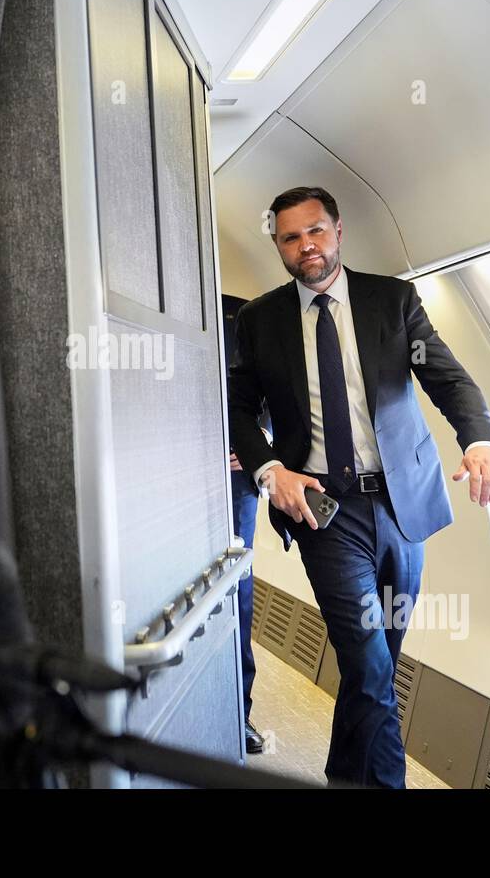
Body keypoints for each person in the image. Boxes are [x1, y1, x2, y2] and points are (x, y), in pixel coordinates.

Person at [226, 186, 490, 788]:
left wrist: (480, 440)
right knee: (369, 660)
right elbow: (239, 409)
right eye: (291, 238)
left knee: (374, 663)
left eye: (316, 231)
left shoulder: (393, 301)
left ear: (338, 231)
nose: (307, 247)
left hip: (403, 507)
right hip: (322, 511)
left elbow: (448, 380)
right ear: (277, 245)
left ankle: (343, 776)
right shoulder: (260, 319)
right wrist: (271, 470)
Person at [222, 294, 268, 755]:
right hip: (172, 465)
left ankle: (239, 710)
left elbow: (279, 390)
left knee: (239, 585)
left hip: (237, 478)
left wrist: (262, 442)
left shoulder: (247, 314)